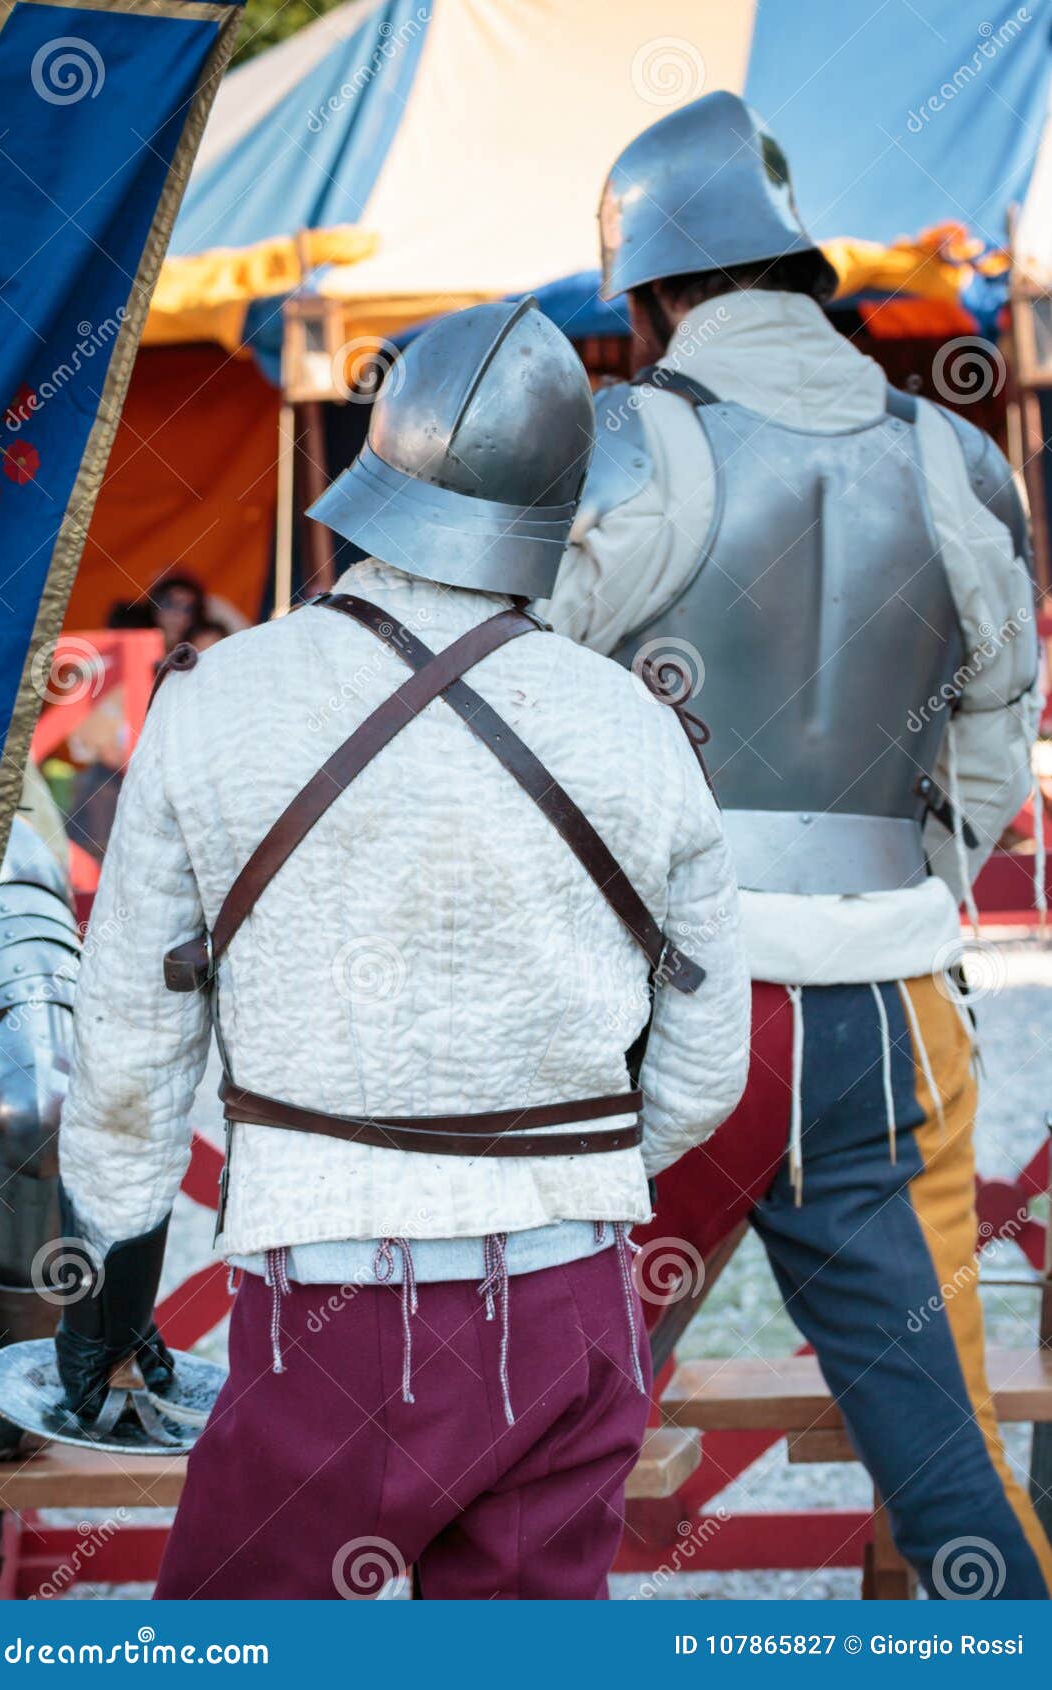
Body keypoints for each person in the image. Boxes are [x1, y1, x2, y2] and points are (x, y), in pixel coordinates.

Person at [54, 300, 749, 1601]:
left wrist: (110, 1280)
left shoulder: (214, 704)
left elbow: (131, 1056)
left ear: (379, 463)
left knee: (239, 1655)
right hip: (574, 1302)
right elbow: (708, 1061)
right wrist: (554, 1174)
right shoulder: (637, 726)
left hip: (333, 1308)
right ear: (557, 501)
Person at [546, 91, 1052, 1598]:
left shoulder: (626, 440)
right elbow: (990, 739)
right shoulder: (955, 454)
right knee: (945, 1449)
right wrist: (909, 897)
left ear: (653, 291)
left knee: (542, 1424)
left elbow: (518, 713)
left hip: (661, 1013)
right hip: (890, 1010)